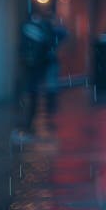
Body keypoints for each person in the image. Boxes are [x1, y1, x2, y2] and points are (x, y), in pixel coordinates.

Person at [14, 8, 66, 142]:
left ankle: (26, 123)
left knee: (30, 93)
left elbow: (22, 46)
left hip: (30, 66)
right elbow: (57, 38)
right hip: (40, 65)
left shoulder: (25, 27)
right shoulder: (44, 27)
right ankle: (33, 121)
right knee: (36, 93)